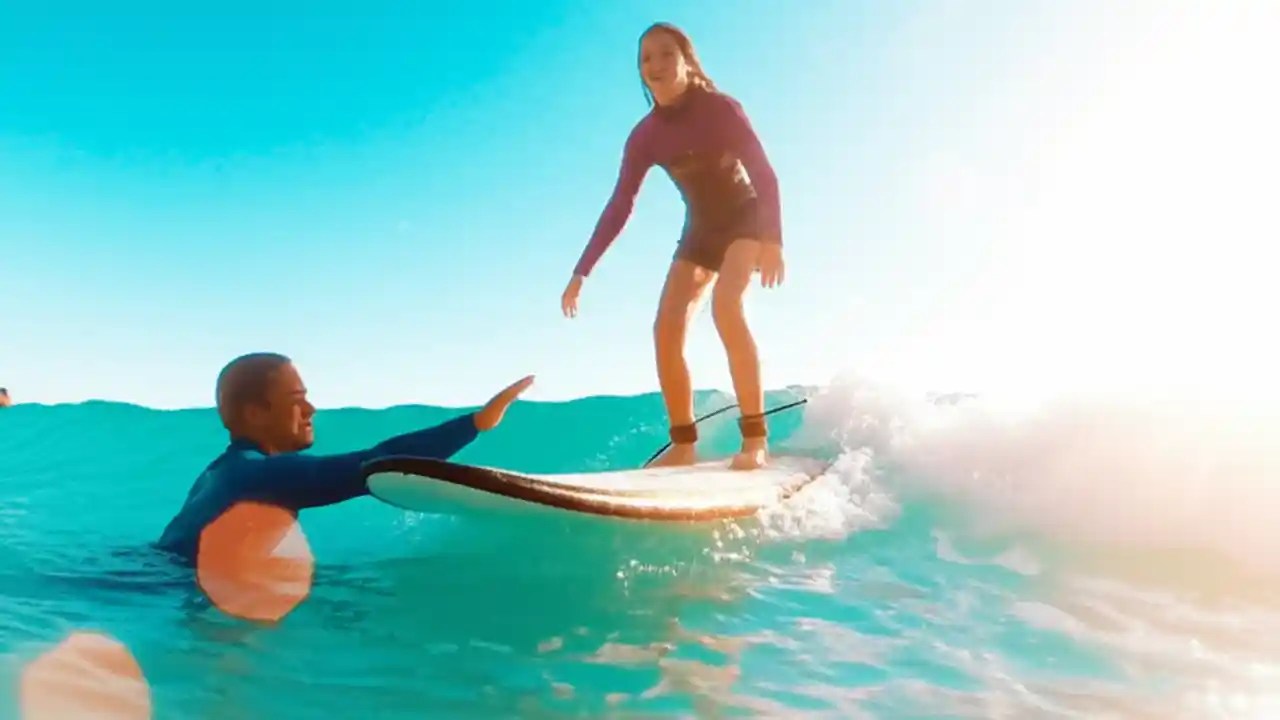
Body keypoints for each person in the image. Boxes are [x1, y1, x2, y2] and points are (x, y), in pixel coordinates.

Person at [560, 22, 785, 471]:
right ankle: (684, 444)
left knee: (727, 307)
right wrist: (582, 270)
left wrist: (773, 240)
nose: (656, 65)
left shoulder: (721, 109)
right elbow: (621, 204)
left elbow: (764, 174)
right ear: (640, 71)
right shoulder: (644, 136)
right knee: (666, 330)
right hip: (700, 230)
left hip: (745, 217)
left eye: (666, 54)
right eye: (646, 58)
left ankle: (755, 439)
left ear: (686, 60)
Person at [156, 352, 533, 563]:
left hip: (150, 574)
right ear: (255, 413)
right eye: (295, 400)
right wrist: (476, 423)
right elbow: (378, 461)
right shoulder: (258, 477)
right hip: (168, 586)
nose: (311, 408)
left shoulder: (223, 471)